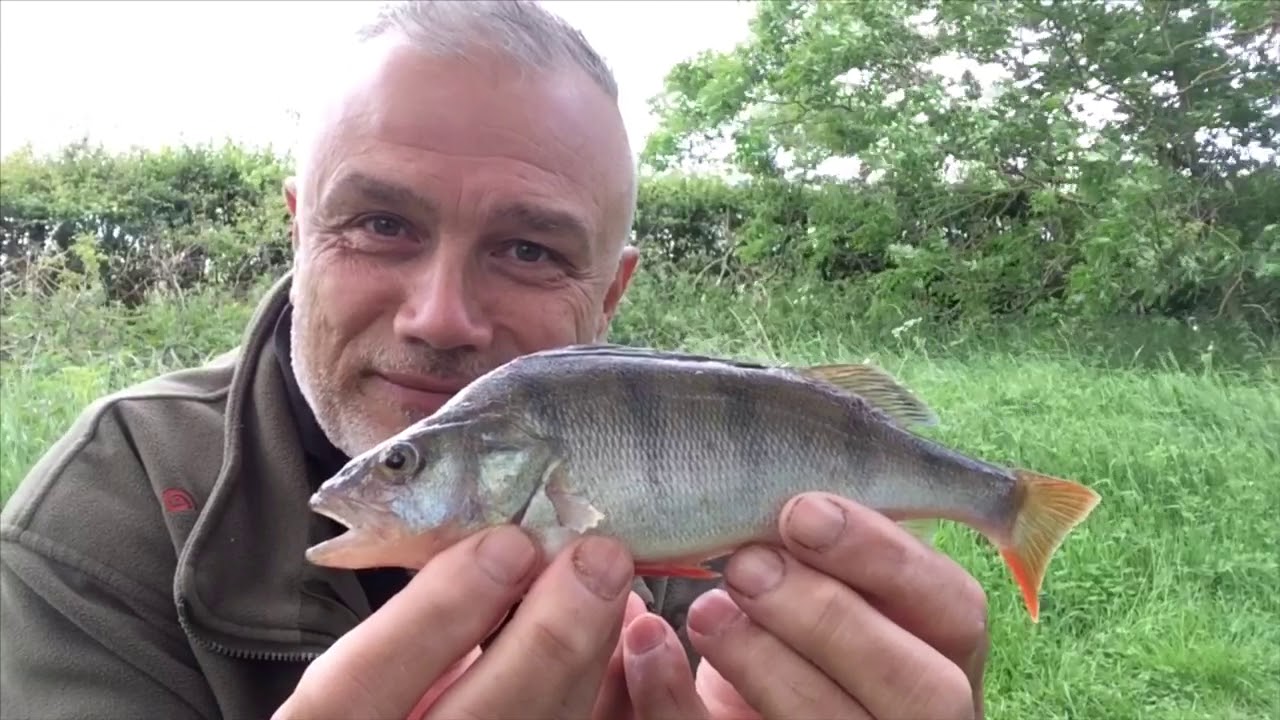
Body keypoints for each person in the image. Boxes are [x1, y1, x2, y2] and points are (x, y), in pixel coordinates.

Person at [0, 1, 990, 718]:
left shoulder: (745, 521)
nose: (442, 318)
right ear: (300, 237)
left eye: (529, 250)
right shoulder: (106, 512)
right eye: (380, 224)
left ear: (609, 295)